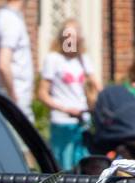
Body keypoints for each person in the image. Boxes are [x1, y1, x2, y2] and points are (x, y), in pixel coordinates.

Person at [38, 19, 101, 171]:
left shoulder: (83, 60)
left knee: (86, 165)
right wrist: (65, 109)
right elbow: (42, 93)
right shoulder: (53, 59)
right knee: (64, 169)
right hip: (63, 122)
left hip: (82, 121)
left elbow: (97, 85)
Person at [0, 0, 35, 120]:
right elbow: (3, 64)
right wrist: (13, 95)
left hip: (13, 99)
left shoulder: (6, 17)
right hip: (15, 101)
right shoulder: (10, 20)